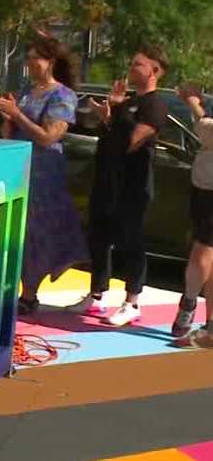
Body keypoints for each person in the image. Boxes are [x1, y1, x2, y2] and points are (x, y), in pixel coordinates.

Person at [68, 45, 169, 326]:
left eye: (139, 64)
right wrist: (108, 115)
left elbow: (133, 141)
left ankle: (132, 301)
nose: (132, 68)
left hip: (133, 186)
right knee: (99, 236)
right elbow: (113, 137)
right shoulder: (126, 103)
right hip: (108, 181)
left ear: (154, 70)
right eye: (133, 62)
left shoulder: (155, 104)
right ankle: (97, 295)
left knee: (131, 241)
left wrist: (116, 112)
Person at [0, 35, 88, 315]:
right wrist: (8, 119)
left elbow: (49, 137)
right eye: (29, 57)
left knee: (38, 232)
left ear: (51, 62)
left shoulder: (62, 96)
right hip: (20, 168)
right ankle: (23, 289)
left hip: (45, 173)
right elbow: (11, 133)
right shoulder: (25, 90)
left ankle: (30, 292)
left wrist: (18, 114)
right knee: (18, 232)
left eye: (36, 58)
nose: (30, 63)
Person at [170, 83, 213, 347]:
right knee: (208, 255)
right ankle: (210, 324)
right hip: (204, 184)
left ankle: (188, 303)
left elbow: (207, 130)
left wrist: (193, 102)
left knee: (202, 250)